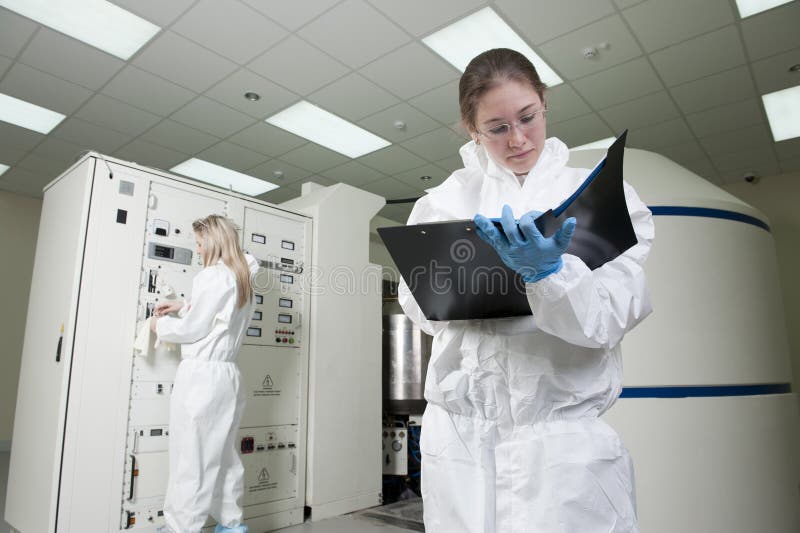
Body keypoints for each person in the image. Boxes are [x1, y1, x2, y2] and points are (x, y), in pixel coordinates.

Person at [398, 48, 654, 533]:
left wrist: (550, 275)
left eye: (528, 118)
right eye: (496, 127)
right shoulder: (443, 202)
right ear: (471, 129)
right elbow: (420, 308)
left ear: (544, 102)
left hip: (560, 449)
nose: (518, 139)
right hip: (461, 440)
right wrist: (461, 283)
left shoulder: (603, 195)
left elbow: (611, 316)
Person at [151, 214, 259, 533]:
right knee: (224, 457)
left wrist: (161, 325)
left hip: (201, 379)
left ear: (212, 242)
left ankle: (181, 527)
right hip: (228, 377)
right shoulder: (241, 278)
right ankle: (231, 523)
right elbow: (218, 315)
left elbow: (194, 329)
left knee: (192, 457)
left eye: (199, 244)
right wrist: (183, 304)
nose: (198, 250)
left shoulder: (210, 276)